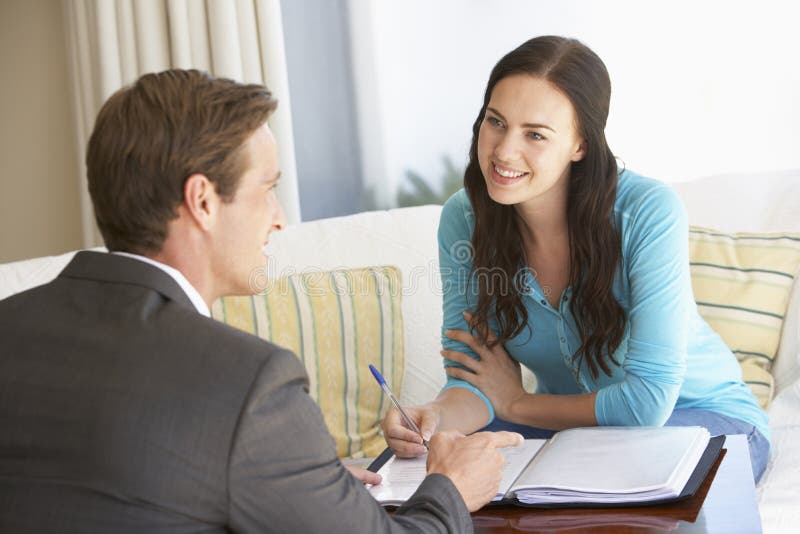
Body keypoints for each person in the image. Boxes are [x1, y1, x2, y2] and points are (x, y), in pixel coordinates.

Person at [0, 69, 523, 532]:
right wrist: (450, 489)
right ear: (202, 201)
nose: (279, 218)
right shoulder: (248, 381)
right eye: (266, 189)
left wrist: (288, 475)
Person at [381, 35, 770, 482]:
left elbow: (647, 401)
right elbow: (474, 378)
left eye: (535, 134)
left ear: (580, 144)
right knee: (449, 475)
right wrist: (430, 419)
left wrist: (517, 404)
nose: (504, 151)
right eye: (496, 122)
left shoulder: (647, 211)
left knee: (624, 491)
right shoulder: (463, 219)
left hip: (701, 417)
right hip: (567, 428)